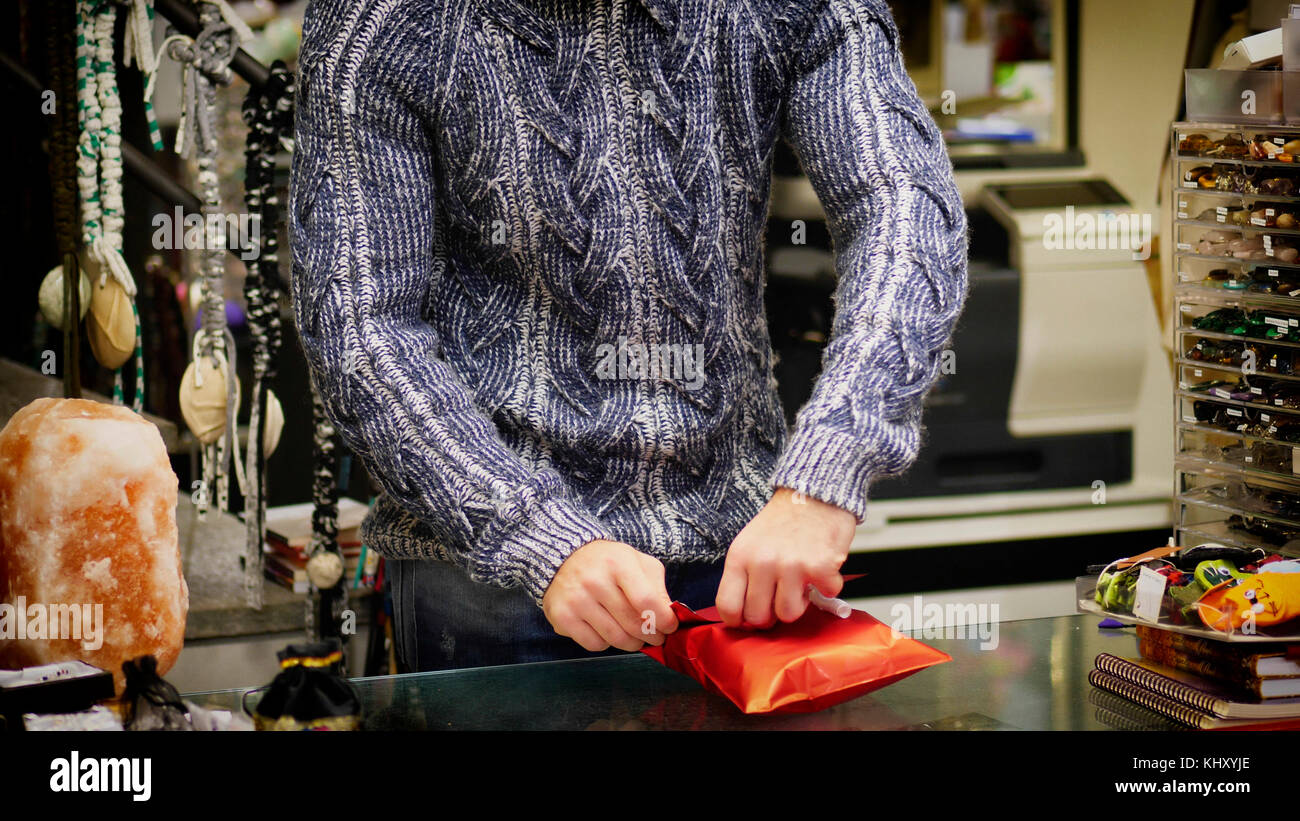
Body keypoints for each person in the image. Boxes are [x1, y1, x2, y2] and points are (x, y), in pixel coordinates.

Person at [290, 0, 969, 672]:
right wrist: (535, 537)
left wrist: (828, 470)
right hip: (495, 587)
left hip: (741, 564)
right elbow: (361, 325)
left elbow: (905, 209)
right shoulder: (381, 19)